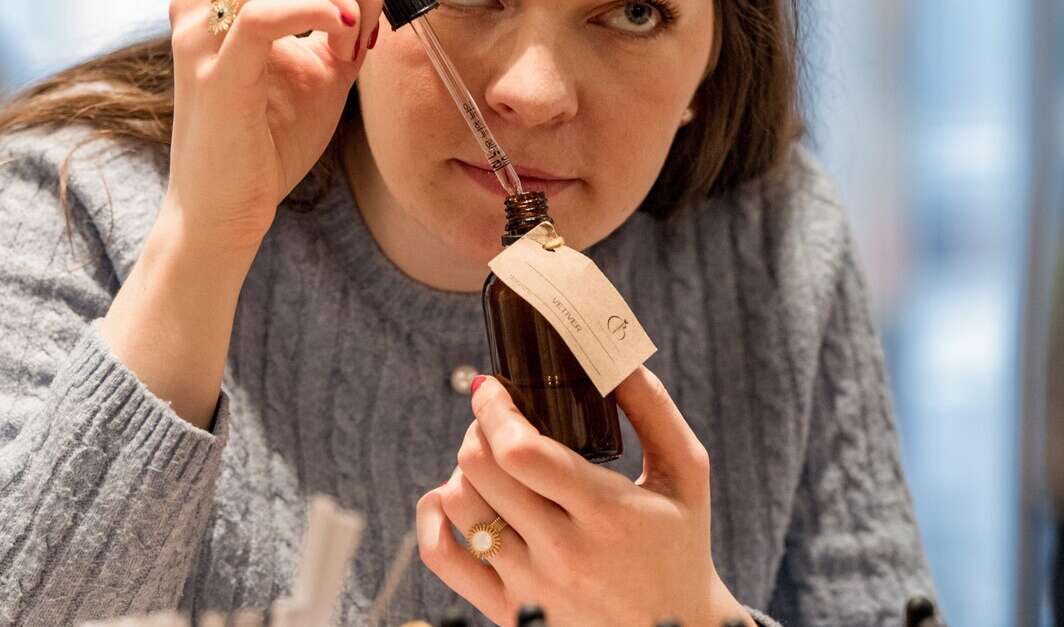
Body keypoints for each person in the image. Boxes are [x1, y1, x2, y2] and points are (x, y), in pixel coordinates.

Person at [0, 0, 938, 625]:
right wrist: (203, 241)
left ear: (714, 60)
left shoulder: (771, 242)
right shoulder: (78, 202)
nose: (533, 91)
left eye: (635, 9)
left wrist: (696, 615)